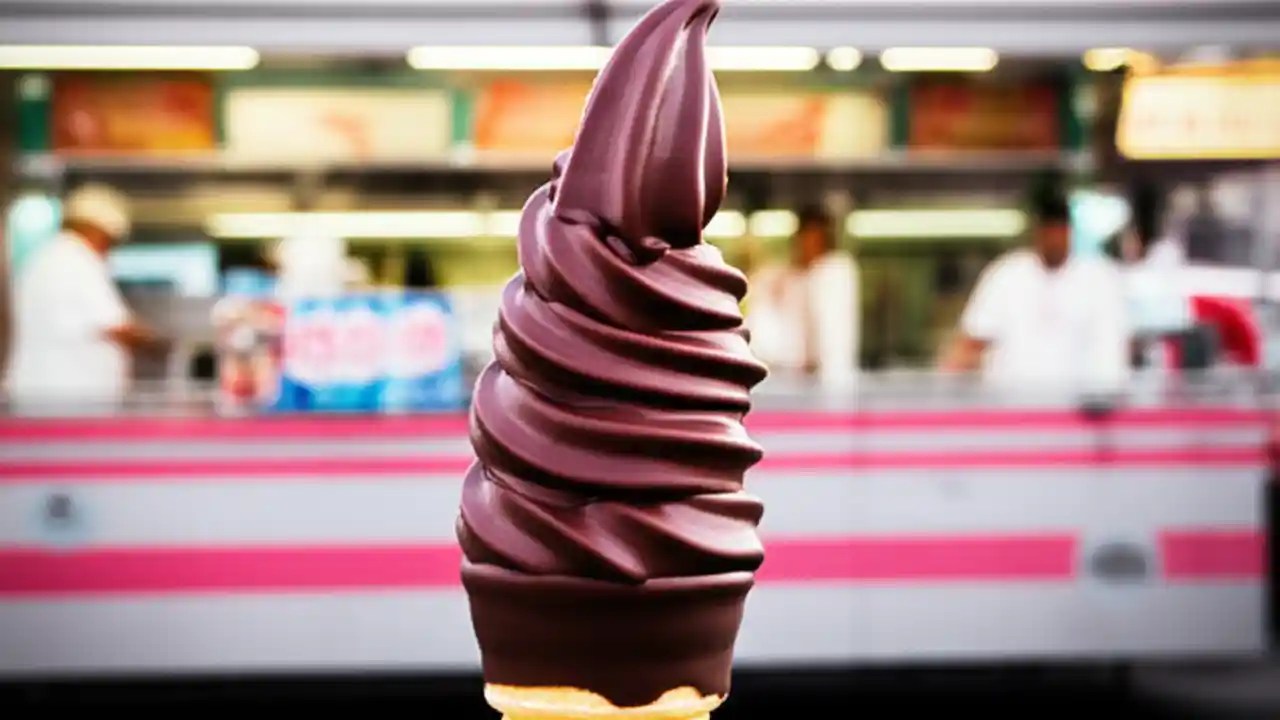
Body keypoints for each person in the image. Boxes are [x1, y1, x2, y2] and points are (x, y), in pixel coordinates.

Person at [940, 189, 1130, 397]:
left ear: (1069, 231)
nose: (1053, 238)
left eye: (1059, 230)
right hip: (1012, 411)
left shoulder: (1099, 279)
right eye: (1047, 230)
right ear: (1037, 231)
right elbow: (971, 342)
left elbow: (1112, 354)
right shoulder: (1007, 274)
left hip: (1079, 412)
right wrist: (942, 391)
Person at [6, 184, 156, 413]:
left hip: (48, 395)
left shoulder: (47, 257)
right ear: (95, 229)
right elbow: (115, 326)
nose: (109, 249)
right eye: (110, 241)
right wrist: (159, 344)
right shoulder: (76, 259)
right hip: (67, 400)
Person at [747, 206, 860, 388]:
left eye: (817, 241)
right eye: (806, 239)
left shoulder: (834, 273)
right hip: (785, 377)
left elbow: (831, 332)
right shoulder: (779, 279)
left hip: (827, 378)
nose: (810, 246)